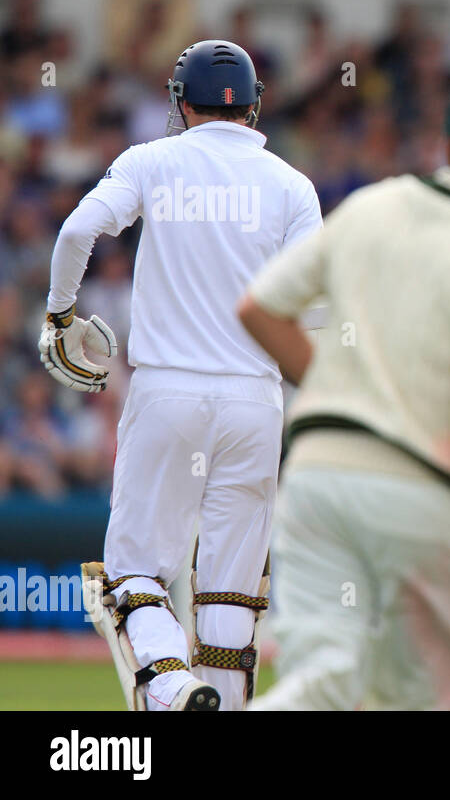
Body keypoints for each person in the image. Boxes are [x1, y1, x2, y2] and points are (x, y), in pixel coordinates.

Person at [239, 78, 450, 711]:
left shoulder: (372, 205)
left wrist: (343, 388)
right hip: (427, 492)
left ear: (445, 145)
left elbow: (260, 309)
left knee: (326, 681)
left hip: (316, 477)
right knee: (428, 697)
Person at [44, 40, 322, 710]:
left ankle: (171, 686)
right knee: (232, 588)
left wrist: (58, 315)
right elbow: (315, 314)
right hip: (257, 397)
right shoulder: (292, 184)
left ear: (180, 102)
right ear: (255, 105)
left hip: (167, 389)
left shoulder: (152, 161)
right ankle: (218, 701)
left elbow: (78, 231)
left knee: (134, 570)